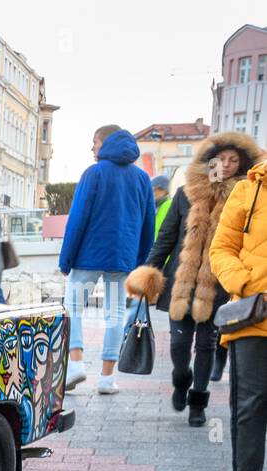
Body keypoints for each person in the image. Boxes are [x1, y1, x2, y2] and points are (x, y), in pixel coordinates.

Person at [127, 133, 262, 428]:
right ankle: (181, 379)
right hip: (181, 284)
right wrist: (147, 272)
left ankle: (198, 402)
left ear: (242, 165)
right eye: (221, 159)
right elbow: (166, 238)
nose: (226, 165)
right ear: (210, 160)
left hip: (219, 287)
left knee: (206, 345)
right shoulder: (185, 195)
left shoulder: (245, 200)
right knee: (179, 343)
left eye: (233, 160)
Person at [58, 124, 155, 395]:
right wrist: (137, 262)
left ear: (106, 143)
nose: (92, 148)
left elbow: (76, 220)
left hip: (88, 256)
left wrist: (66, 260)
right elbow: (149, 226)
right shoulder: (142, 178)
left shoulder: (94, 173)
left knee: (73, 307)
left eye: (95, 142)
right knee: (115, 314)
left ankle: (75, 363)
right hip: (121, 259)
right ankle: (106, 378)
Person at [210, 153, 267, 471]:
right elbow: (221, 249)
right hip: (253, 315)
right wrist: (245, 284)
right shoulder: (249, 189)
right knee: (249, 404)